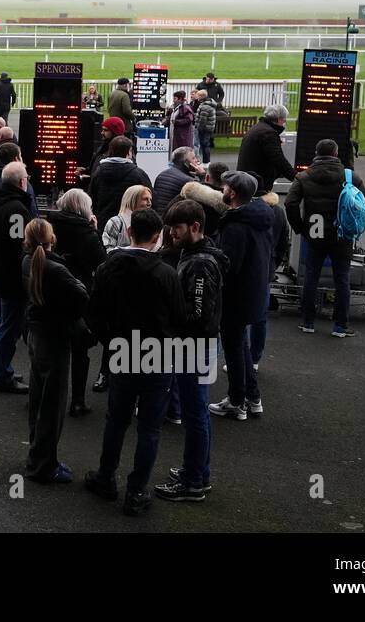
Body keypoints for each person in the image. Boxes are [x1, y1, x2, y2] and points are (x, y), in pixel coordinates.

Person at [83, 208, 182, 516]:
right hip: (158, 356)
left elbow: (94, 311)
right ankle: (137, 491)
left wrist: (109, 341)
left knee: (117, 420)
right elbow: (179, 319)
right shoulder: (167, 273)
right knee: (150, 429)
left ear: (129, 233)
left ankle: (106, 476)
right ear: (158, 236)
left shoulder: (110, 267)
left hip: (122, 352)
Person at [155, 199, 227, 502]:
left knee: (196, 413)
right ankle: (198, 471)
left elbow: (197, 314)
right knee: (197, 413)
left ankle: (193, 481)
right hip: (199, 344)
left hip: (194, 346)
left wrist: (168, 318)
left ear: (195, 227)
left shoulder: (200, 264)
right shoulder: (197, 253)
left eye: (177, 228)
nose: (171, 233)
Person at [21, 217, 89, 484]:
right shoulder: (56, 269)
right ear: (52, 239)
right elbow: (81, 296)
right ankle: (44, 465)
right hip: (55, 336)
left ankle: (37, 454)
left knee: (38, 398)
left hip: (36, 334)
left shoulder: (28, 262)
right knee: (53, 404)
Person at [284, 140, 365, 337]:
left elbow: (290, 203)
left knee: (311, 277)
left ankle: (307, 321)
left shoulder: (303, 176)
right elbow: (364, 204)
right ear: (336, 153)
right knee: (342, 278)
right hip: (342, 235)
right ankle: (340, 325)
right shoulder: (349, 176)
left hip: (315, 234)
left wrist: (299, 228)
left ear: (316, 153)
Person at [210, 171, 278, 420]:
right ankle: (253, 397)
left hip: (236, 297)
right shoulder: (260, 218)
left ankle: (237, 401)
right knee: (242, 347)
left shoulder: (235, 226)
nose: (221, 191)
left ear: (233, 193)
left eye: (225, 187)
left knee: (234, 349)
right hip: (254, 292)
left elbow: (228, 265)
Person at [46, 188, 106, 416]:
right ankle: (78, 400)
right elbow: (100, 263)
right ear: (84, 209)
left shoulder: (50, 224)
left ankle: (47, 395)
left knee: (51, 347)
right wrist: (95, 230)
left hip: (52, 290)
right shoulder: (87, 234)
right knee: (80, 350)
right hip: (79, 293)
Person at [0, 161, 35, 393]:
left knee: (0, 323)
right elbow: (18, 246)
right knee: (9, 328)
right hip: (12, 277)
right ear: (22, 182)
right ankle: (2, 374)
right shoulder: (17, 210)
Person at [89, 136, 151, 225]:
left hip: (103, 223)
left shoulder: (98, 172)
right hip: (129, 225)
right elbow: (151, 201)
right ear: (128, 152)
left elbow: (92, 198)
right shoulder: (138, 174)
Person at [236, 105, 296, 193]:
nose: (284, 122)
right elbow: (279, 160)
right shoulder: (269, 134)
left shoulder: (259, 128)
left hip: (246, 179)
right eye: (284, 120)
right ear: (279, 119)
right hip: (257, 184)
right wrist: (296, 178)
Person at [151, 146, 202, 217]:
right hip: (173, 219)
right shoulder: (188, 181)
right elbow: (203, 199)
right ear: (186, 163)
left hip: (157, 216)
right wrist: (202, 176)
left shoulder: (161, 174)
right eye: (193, 158)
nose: (196, 160)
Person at [101, 183, 153, 251]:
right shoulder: (116, 222)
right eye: (145, 199)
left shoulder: (151, 224)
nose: (149, 203)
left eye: (150, 200)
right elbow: (107, 249)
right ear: (133, 200)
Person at [87, 116, 127, 180]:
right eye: (102, 130)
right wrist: (86, 172)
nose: (102, 133)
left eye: (105, 130)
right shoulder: (103, 147)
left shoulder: (122, 151)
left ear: (114, 132)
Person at [193, 90, 218, 165]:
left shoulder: (205, 106)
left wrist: (199, 128)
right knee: (205, 145)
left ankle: (206, 162)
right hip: (208, 128)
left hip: (205, 129)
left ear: (201, 96)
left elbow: (202, 120)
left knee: (205, 145)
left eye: (198, 95)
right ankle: (206, 161)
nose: (197, 97)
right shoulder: (207, 104)